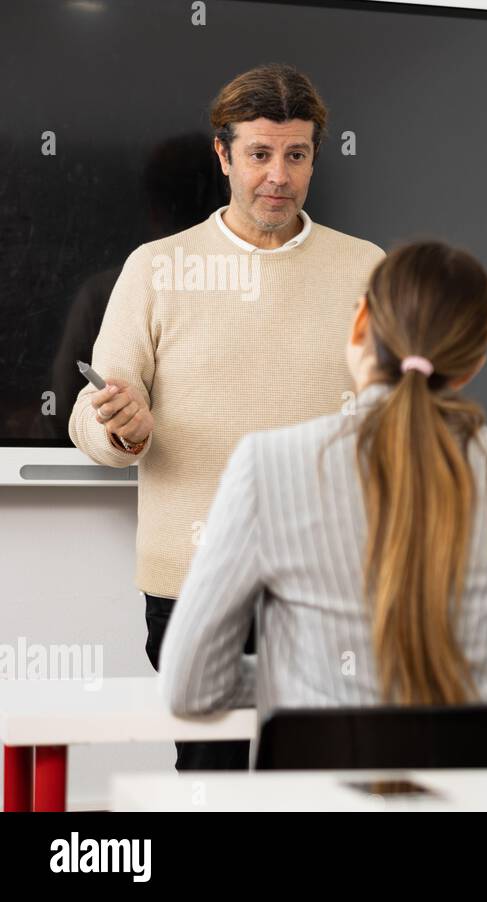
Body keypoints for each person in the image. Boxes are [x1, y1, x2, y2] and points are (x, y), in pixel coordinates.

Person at [67, 64, 386, 771]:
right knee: (213, 781)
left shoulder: (365, 269)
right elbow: (90, 421)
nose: (278, 175)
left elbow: (393, 422)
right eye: (259, 155)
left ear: (313, 157)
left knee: (316, 781)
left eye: (296, 155)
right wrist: (125, 427)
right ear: (224, 155)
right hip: (194, 584)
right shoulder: (155, 268)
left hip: (326, 585)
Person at [159, 241, 487, 725]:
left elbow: (190, 685)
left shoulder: (268, 465)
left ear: (360, 322)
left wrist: (299, 685)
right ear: (475, 362)